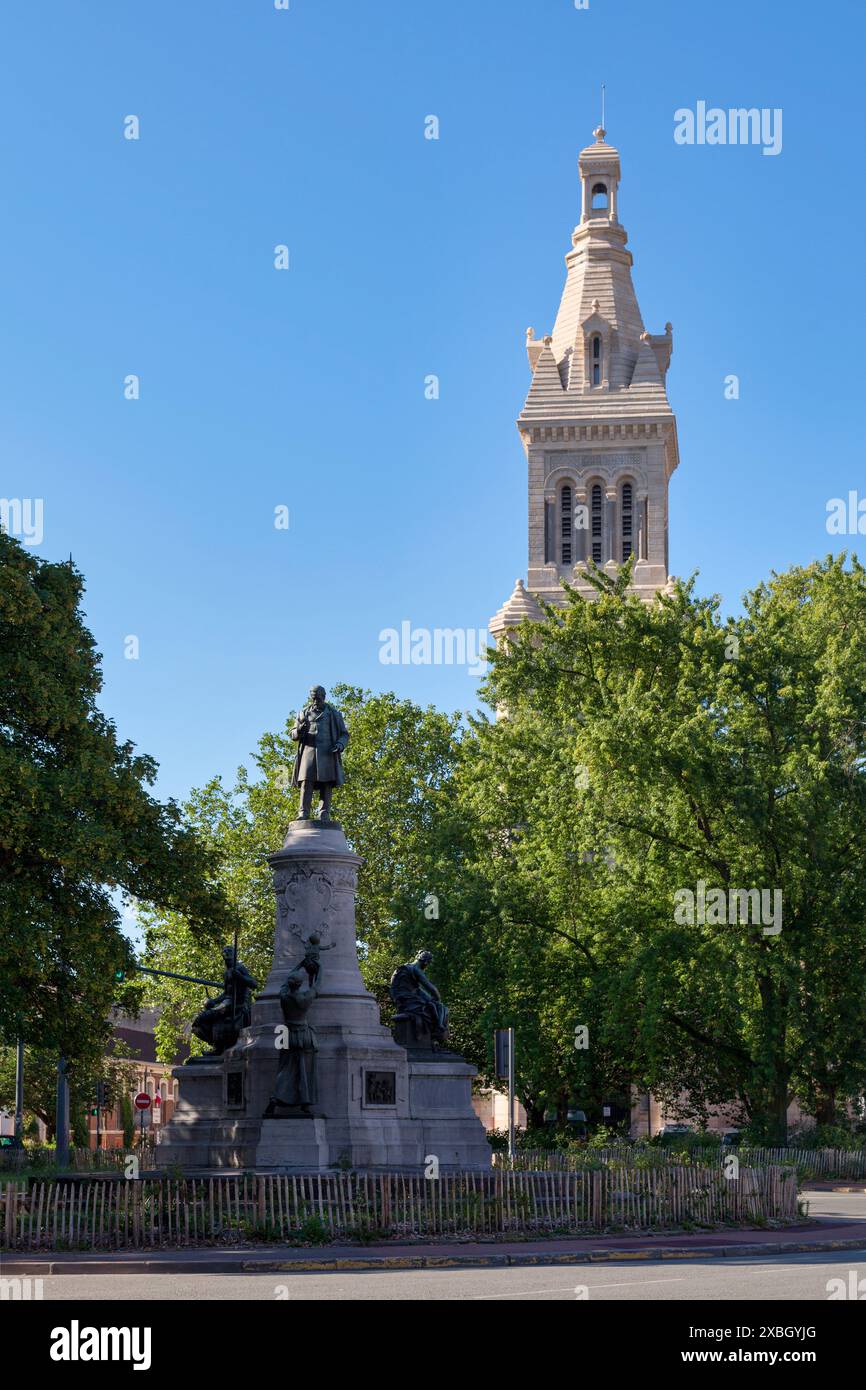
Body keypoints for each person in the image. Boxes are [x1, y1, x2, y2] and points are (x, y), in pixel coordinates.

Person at [291, 685, 349, 821]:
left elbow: (344, 734)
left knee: (326, 783)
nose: (316, 701)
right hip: (308, 752)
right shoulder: (303, 713)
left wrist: (340, 744)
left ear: (324, 697)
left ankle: (324, 813)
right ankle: (303, 812)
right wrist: (299, 729)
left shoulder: (334, 714)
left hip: (327, 752)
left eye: (318, 698)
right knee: (306, 782)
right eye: (313, 698)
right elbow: (293, 733)